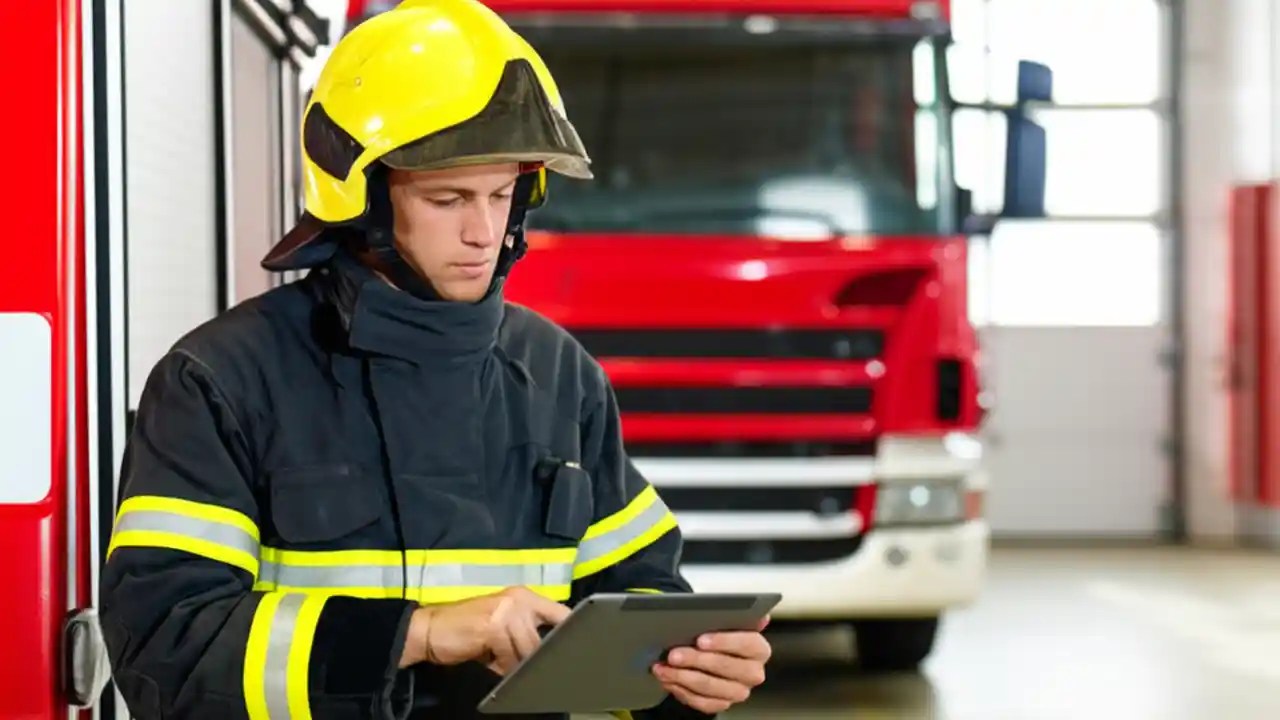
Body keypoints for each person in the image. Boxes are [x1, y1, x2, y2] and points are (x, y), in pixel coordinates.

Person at [98, 1, 772, 718]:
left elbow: (639, 600)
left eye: (502, 194)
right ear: (362, 198)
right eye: (449, 198)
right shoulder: (221, 382)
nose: (485, 231)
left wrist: (689, 675)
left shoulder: (561, 378)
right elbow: (167, 654)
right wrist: (419, 634)